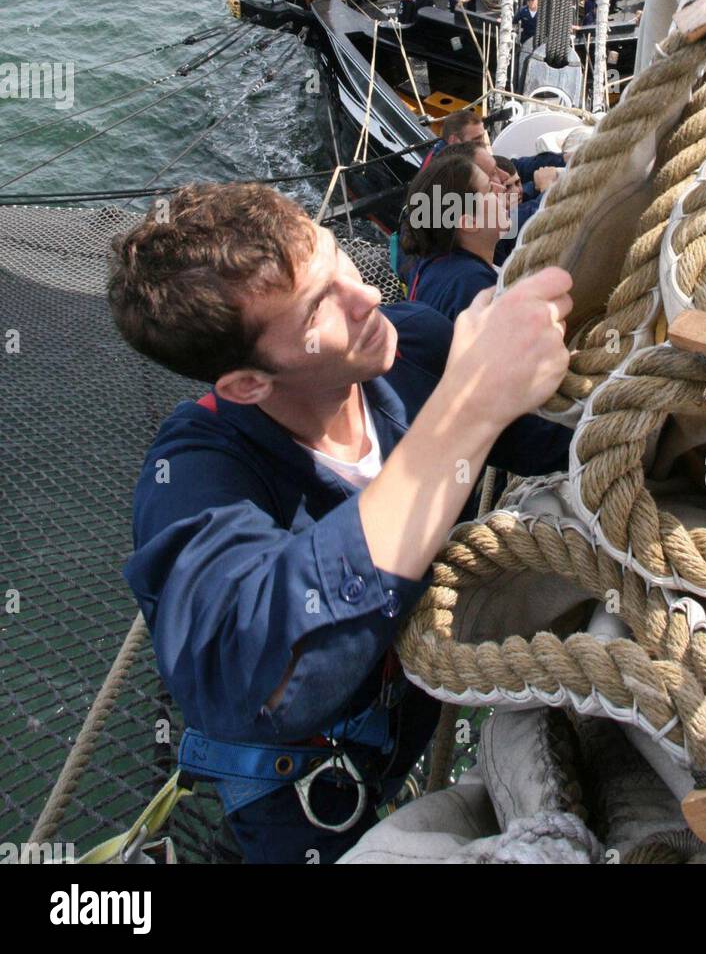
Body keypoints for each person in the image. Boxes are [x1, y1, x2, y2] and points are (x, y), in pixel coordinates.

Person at [110, 183, 573, 865]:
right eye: (315, 310)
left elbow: (559, 444)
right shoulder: (194, 478)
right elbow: (259, 674)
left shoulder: (408, 346)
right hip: (295, 803)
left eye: (339, 263)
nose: (365, 299)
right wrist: (468, 406)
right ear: (244, 385)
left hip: (399, 733)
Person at [400, 146, 513, 321]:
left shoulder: (436, 268)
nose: (501, 189)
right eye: (489, 189)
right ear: (469, 222)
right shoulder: (473, 284)